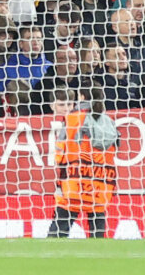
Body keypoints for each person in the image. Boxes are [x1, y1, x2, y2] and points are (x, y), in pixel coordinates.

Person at [47, 94, 117, 237]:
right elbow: (114, 151)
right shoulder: (109, 122)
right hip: (99, 183)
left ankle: (52, 257)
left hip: (74, 180)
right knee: (97, 231)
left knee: (59, 230)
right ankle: (98, 258)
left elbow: (60, 150)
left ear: (81, 96)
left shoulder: (72, 119)